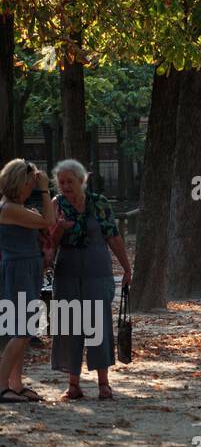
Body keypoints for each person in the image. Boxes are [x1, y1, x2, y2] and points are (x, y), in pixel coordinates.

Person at [50, 159, 131, 400]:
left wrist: (127, 268)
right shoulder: (56, 204)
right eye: (61, 182)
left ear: (82, 180)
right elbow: (50, 243)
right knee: (69, 327)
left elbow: (113, 237)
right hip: (67, 271)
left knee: (99, 326)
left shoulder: (99, 203)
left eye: (70, 181)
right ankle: (73, 384)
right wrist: (60, 229)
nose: (65, 186)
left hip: (98, 270)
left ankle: (103, 383)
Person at [0, 159, 58, 403]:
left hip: (28, 267)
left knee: (24, 329)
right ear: (18, 183)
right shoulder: (8, 208)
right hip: (19, 270)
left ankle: (15, 383)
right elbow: (48, 221)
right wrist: (45, 189)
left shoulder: (16, 207)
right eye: (29, 185)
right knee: (22, 330)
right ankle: (2, 386)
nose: (30, 190)